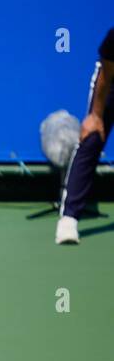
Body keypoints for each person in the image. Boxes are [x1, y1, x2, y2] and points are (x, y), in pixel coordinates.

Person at [56, 28, 113, 244]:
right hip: (110, 84)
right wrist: (96, 116)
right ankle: (69, 218)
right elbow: (106, 76)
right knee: (92, 138)